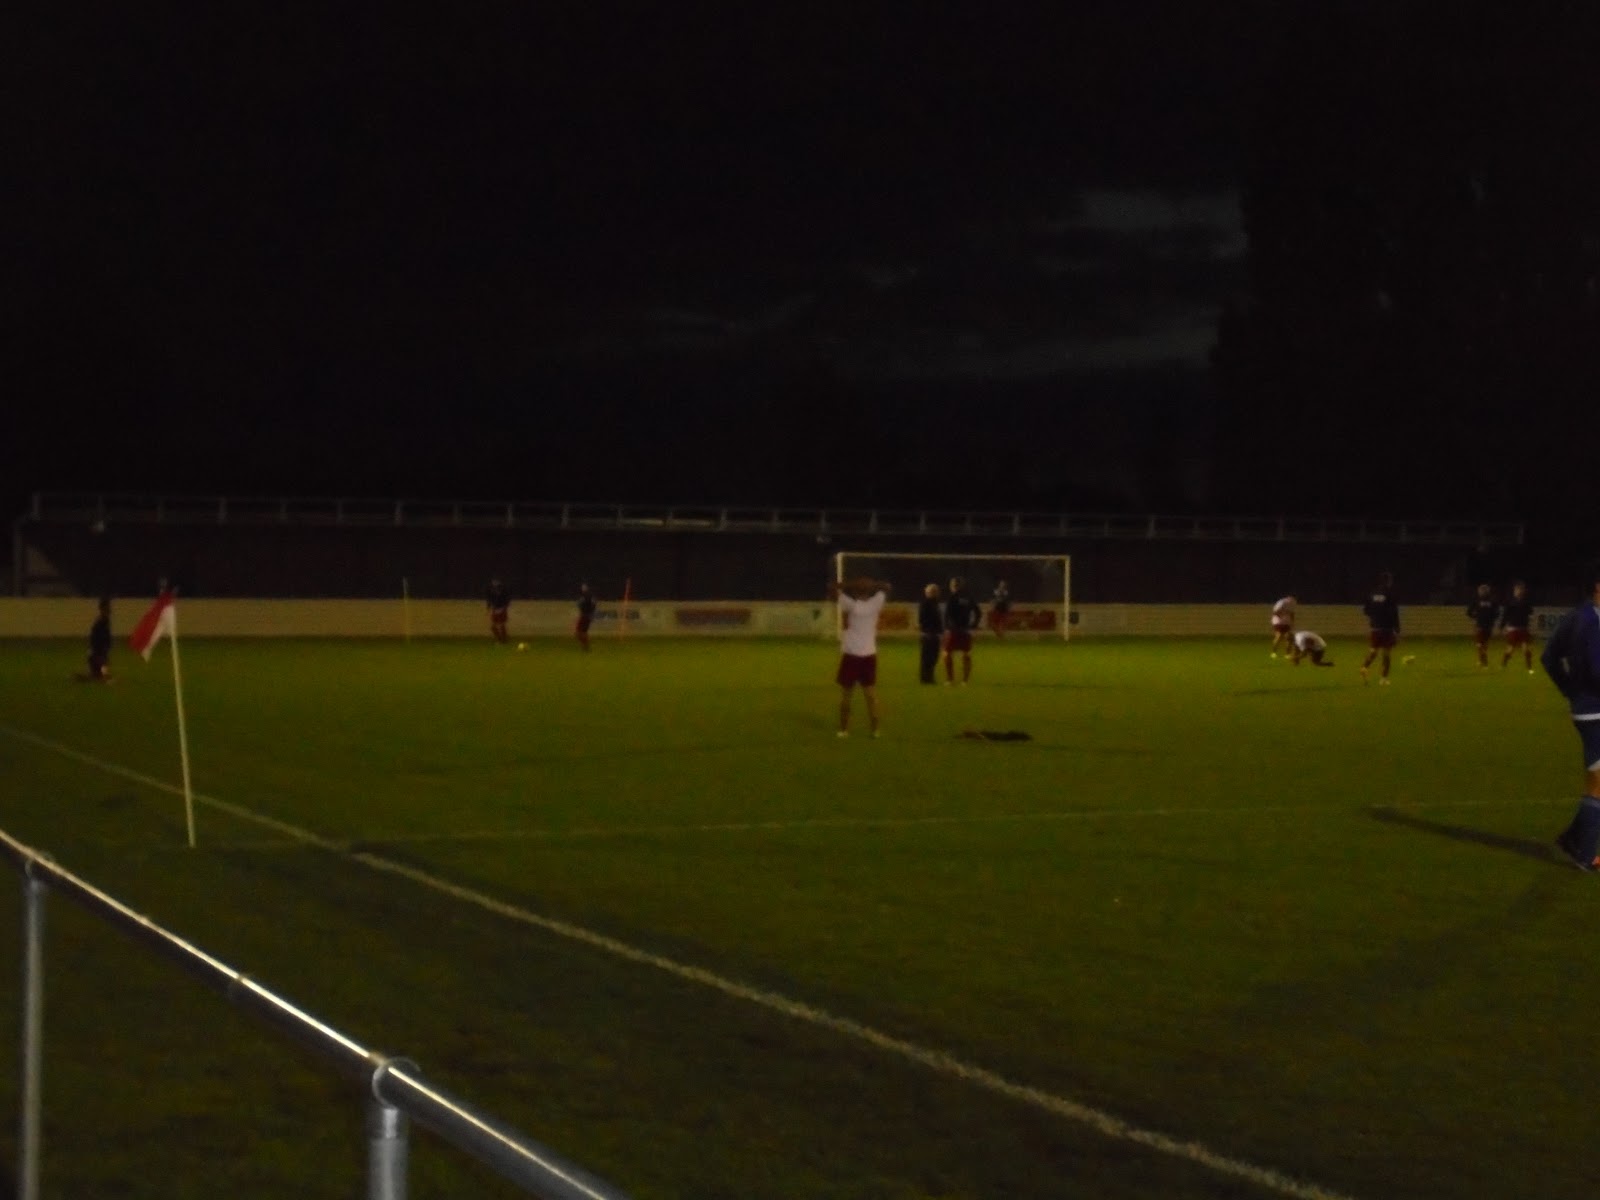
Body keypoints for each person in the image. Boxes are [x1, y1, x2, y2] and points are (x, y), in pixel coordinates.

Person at [1542, 564, 1600, 871]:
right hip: (1595, 712)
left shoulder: (1577, 616)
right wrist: (1575, 691)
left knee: (1597, 780)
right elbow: (1596, 671)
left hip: (1586, 708)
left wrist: (1569, 690)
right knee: (1597, 784)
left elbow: (1548, 656)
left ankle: (1572, 839)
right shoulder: (1591, 622)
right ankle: (1586, 855)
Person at [829, 577, 891, 737]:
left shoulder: (851, 604)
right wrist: (873, 584)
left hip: (851, 655)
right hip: (869, 654)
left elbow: (832, 588)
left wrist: (851, 584)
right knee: (870, 695)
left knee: (847, 695)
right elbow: (886, 586)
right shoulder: (876, 603)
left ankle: (844, 729)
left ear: (856, 592)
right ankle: (875, 729)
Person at [1359, 572, 1400, 685]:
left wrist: (1375, 616)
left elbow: (1365, 611)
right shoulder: (1390, 594)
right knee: (1386, 654)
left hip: (1375, 627)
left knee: (1373, 651)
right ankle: (1383, 679)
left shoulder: (1372, 594)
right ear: (1389, 581)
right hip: (1387, 628)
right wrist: (1397, 628)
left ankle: (1364, 667)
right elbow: (1394, 612)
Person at [942, 576, 981, 684]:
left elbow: (947, 615)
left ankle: (950, 679)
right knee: (966, 654)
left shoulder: (952, 597)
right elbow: (978, 612)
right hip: (965, 629)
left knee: (947, 653)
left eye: (953, 585)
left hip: (953, 630)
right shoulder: (968, 597)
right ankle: (965, 680)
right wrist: (974, 625)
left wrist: (946, 628)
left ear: (953, 586)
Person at [1499, 580, 1535, 673]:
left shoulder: (1526, 601)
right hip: (1513, 628)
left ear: (1523, 591)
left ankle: (1529, 668)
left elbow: (1531, 612)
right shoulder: (1510, 602)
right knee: (1510, 650)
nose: (1519, 591)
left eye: (1521, 589)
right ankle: (1504, 663)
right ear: (1515, 591)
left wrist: (1528, 618)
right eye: (1517, 589)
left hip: (1523, 628)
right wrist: (1502, 626)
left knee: (1526, 649)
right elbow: (1505, 615)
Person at [78, 597, 113, 683]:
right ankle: (99, 676)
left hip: (99, 649)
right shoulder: (101, 621)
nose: (109, 610)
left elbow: (103, 635)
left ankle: (97, 675)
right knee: (100, 669)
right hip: (98, 649)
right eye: (107, 608)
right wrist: (101, 646)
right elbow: (97, 636)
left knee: (100, 668)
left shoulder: (104, 621)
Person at [1466, 583, 1499, 669]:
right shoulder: (1477, 601)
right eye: (1481, 590)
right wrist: (1475, 616)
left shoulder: (1492, 601)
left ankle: (1483, 662)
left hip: (1486, 626)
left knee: (1483, 645)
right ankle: (1483, 661)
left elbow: (1497, 613)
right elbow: (1469, 612)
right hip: (1480, 626)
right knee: (1481, 645)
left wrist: (1491, 618)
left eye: (1484, 590)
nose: (1482, 592)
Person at [917, 583, 943, 683]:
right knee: (927, 657)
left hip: (935, 634)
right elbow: (922, 619)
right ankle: (925, 678)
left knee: (933, 657)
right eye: (934, 592)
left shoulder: (935, 604)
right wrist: (927, 631)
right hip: (928, 634)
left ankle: (930, 677)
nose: (937, 593)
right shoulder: (926, 604)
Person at [486, 578, 510, 644]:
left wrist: (503, 608)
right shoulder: (491, 590)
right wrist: (489, 607)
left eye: (496, 582)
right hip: (495, 609)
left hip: (501, 609)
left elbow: (507, 600)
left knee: (501, 625)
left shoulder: (503, 590)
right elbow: (489, 600)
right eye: (493, 582)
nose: (494, 583)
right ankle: (499, 639)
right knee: (493, 626)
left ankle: (504, 640)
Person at [575, 583, 597, 651]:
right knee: (584, 631)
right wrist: (592, 613)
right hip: (588, 615)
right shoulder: (591, 596)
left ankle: (585, 645)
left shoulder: (584, 597)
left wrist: (583, 610)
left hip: (585, 615)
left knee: (579, 632)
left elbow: (580, 604)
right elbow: (594, 605)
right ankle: (585, 646)